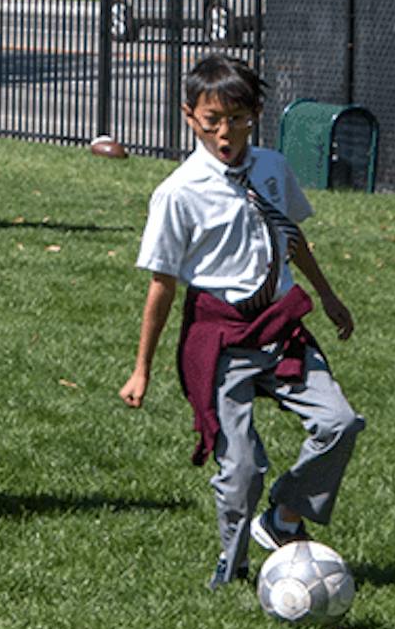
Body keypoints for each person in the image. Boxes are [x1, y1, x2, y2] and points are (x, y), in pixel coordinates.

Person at [119, 56, 365, 587]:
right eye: (212, 121)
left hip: (280, 324)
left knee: (339, 423)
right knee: (243, 468)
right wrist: (142, 368)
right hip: (220, 337)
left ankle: (284, 516)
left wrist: (327, 295)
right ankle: (231, 569)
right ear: (189, 115)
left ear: (256, 113)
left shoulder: (272, 168)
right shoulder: (178, 192)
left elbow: (291, 237)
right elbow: (162, 285)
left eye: (238, 119)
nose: (225, 134)